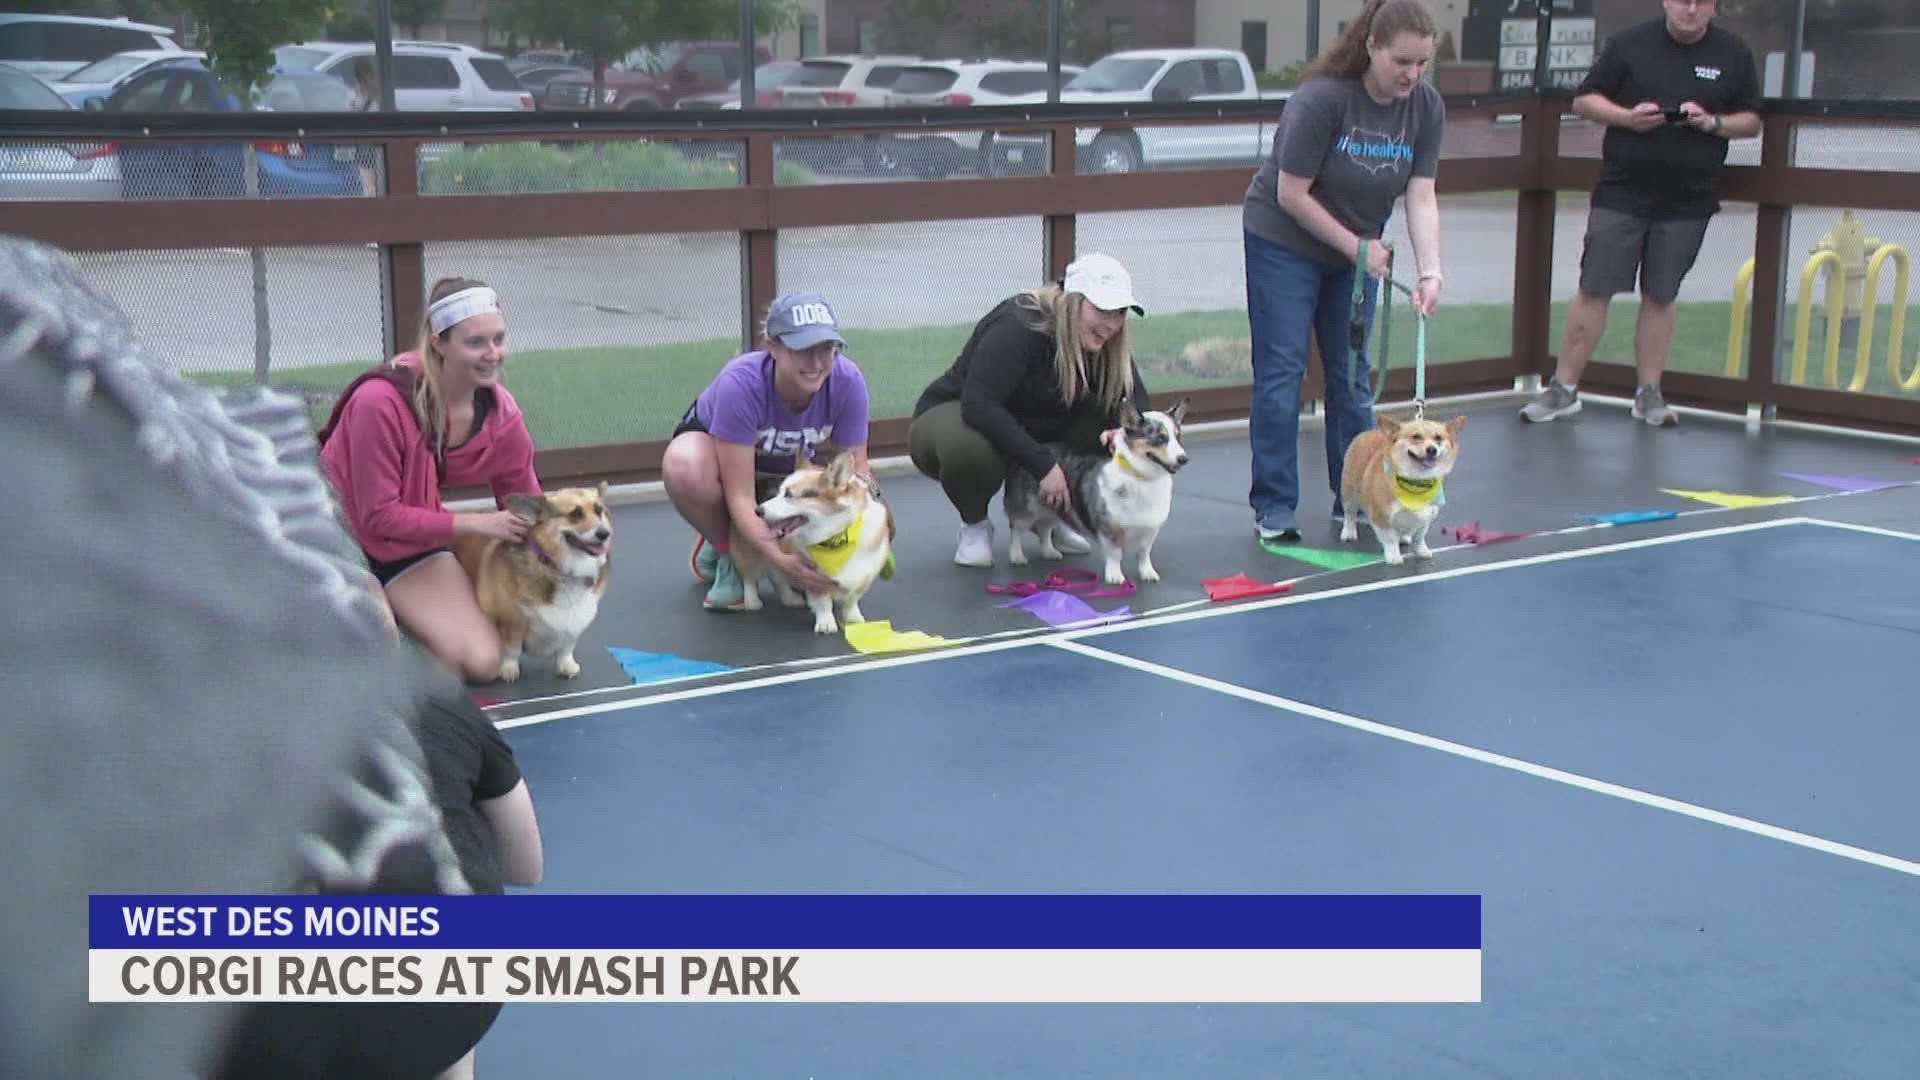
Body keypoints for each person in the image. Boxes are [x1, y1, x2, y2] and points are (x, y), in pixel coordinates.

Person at [1240, 0, 1445, 542]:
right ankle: (1275, 506)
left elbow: (1421, 194)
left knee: (1352, 378)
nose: (1412, 74)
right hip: (1284, 241)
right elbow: (1290, 193)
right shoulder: (1323, 99)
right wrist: (1358, 247)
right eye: (1402, 61)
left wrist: (1431, 271)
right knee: (1282, 374)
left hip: (1356, 256)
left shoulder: (1425, 108)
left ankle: (1354, 498)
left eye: (1422, 64)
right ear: (1372, 47)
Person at [1520, 0, 1760, 427]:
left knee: (1661, 295)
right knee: (1594, 288)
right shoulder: (1629, 44)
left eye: (1700, 2)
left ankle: (1649, 395)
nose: (1690, 9)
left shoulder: (1734, 53)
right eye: (1682, 0)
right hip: (1622, 193)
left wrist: (1711, 123)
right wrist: (1628, 118)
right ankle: (1563, 389)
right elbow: (1585, 100)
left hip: (1689, 198)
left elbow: (1751, 121)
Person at [318, 276, 541, 682]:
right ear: (438, 342)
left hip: (407, 544)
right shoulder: (380, 402)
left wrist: (566, 543)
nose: (493, 354)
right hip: (337, 533)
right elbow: (377, 518)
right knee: (358, 665)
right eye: (476, 343)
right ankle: (378, 623)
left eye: (499, 339)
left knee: (484, 662)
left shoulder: (501, 415)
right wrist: (474, 524)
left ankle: (398, 624)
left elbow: (525, 500)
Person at [909, 252, 1151, 568]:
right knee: (968, 452)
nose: (1111, 323)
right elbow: (979, 403)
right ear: (1071, 301)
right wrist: (1044, 467)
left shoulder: (1103, 343)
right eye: (1101, 309)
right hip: (958, 415)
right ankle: (974, 523)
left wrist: (1123, 435)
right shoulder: (1019, 324)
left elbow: (1136, 401)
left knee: (1118, 430)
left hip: (1029, 427)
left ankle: (1051, 513)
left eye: (1119, 312)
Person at [664, 291, 872, 610]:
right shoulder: (741, 384)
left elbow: (858, 472)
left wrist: (869, 529)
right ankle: (727, 550)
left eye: (826, 349)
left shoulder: (848, 381)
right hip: (727, 470)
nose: (816, 363)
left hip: (789, 476)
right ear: (772, 347)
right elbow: (741, 496)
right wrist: (779, 560)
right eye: (802, 350)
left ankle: (796, 549)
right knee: (685, 466)